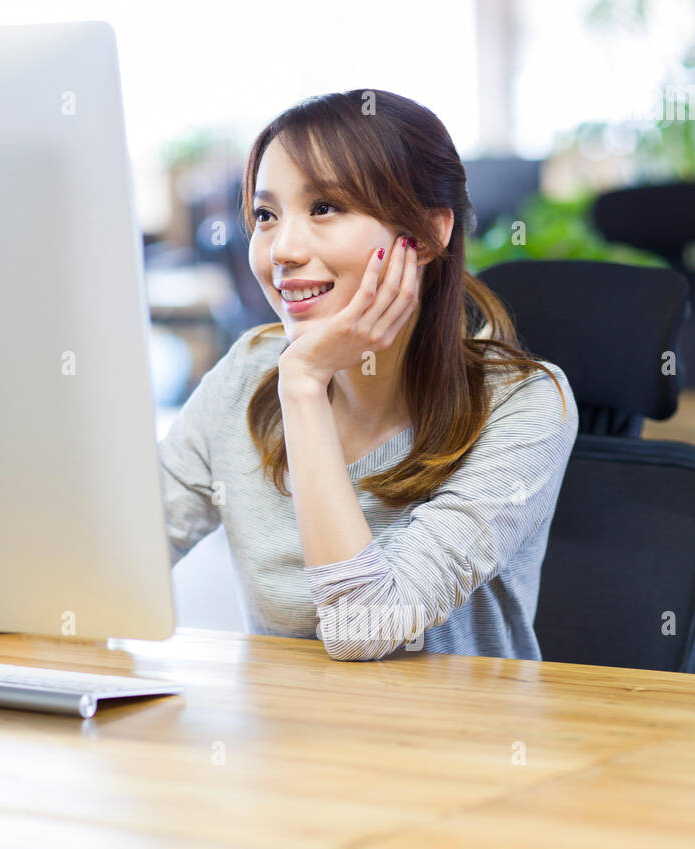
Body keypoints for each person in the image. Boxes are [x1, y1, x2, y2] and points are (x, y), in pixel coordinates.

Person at [158, 89, 578, 660]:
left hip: (456, 742)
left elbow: (365, 627)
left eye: (324, 207)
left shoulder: (525, 407)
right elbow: (117, 561)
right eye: (265, 215)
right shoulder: (245, 375)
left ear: (429, 234)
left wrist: (304, 388)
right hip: (288, 743)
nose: (282, 249)